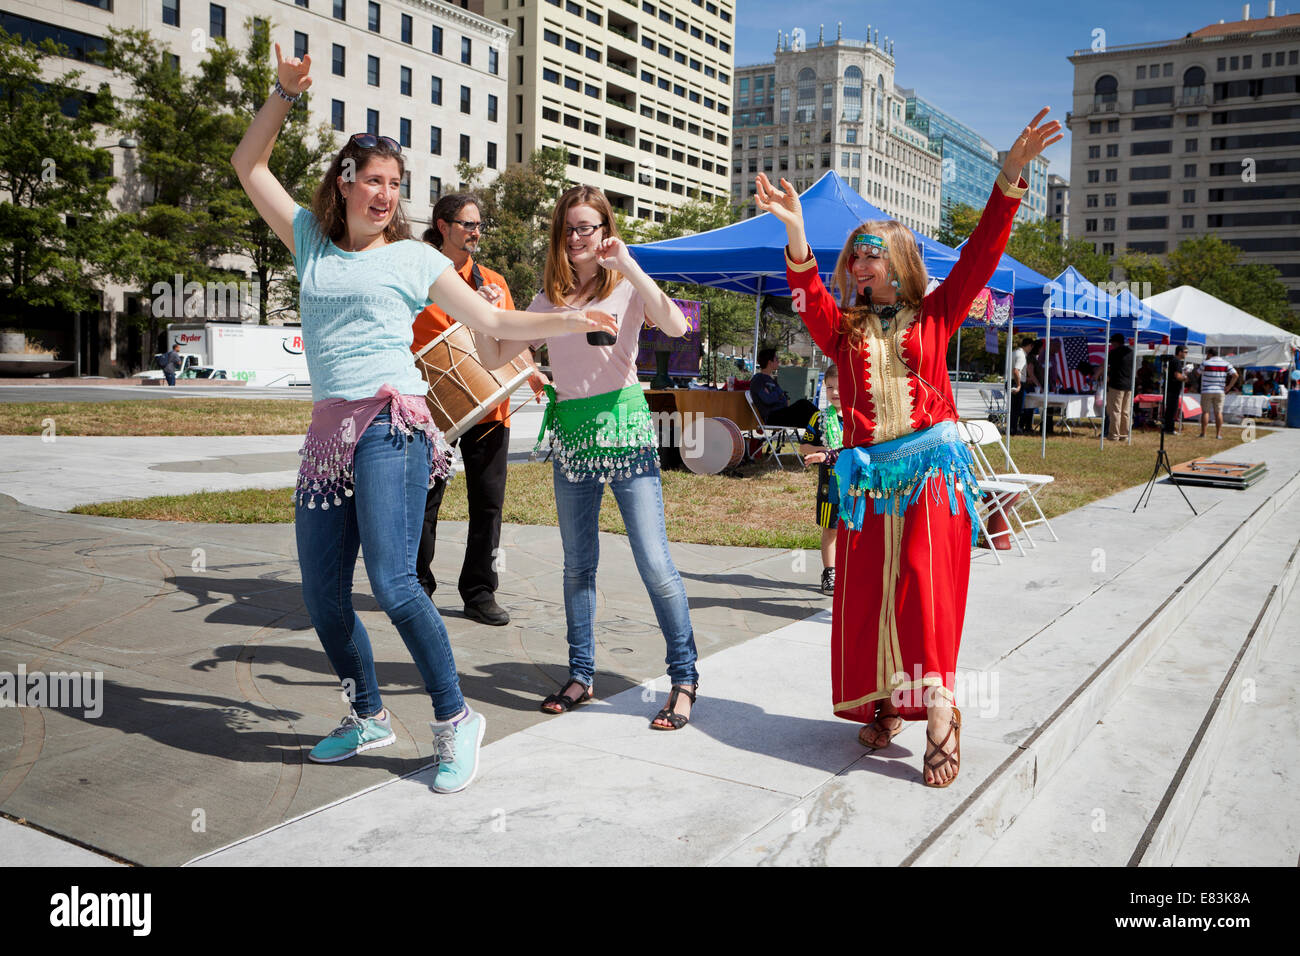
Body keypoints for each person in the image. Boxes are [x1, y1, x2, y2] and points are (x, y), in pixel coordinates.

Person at [230, 44, 614, 792]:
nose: (383, 194)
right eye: (371, 180)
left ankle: (454, 719)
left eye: (395, 185)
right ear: (343, 182)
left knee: (396, 584)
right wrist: (282, 92)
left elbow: (492, 327)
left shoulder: (411, 259)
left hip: (393, 427)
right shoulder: (309, 244)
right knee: (321, 596)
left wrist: (573, 323)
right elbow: (250, 166)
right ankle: (367, 713)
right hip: (327, 434)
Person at [757, 108, 1061, 787]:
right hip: (869, 481)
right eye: (855, 253)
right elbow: (807, 296)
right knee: (869, 595)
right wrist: (797, 231)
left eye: (871, 252)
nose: (859, 261)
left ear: (897, 262)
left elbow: (983, 250)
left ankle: (943, 710)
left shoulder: (939, 312)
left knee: (923, 592)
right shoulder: (844, 329)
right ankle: (887, 703)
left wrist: (1010, 176)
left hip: (929, 472)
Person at [473, 185, 701, 731]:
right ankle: (581, 673)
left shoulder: (625, 287)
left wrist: (630, 263)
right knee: (579, 566)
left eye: (588, 228)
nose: (578, 238)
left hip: (625, 432)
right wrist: (484, 313)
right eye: (570, 228)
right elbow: (496, 355)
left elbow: (676, 326)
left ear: (605, 231)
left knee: (654, 561)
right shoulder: (547, 300)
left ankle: (685, 678)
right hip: (573, 438)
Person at [411, 193, 548, 626]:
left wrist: (531, 370)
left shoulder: (494, 281)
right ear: (443, 225)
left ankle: (479, 591)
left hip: (490, 407)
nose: (475, 232)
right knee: (425, 501)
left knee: (487, 504)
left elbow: (509, 337)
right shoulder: (418, 276)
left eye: (478, 225)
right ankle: (417, 587)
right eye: (467, 224)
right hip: (434, 408)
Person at [798, 364, 843, 595]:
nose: (835, 393)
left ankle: (851, 571)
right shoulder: (819, 417)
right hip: (829, 485)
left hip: (856, 486)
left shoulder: (860, 418)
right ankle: (830, 572)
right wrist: (825, 450)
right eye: (830, 388)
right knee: (831, 528)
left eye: (840, 387)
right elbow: (803, 445)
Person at [749, 347, 820, 429]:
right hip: (772, 417)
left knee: (807, 414)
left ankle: (822, 426)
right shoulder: (758, 380)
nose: (778, 361)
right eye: (776, 359)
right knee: (803, 404)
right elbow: (767, 399)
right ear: (770, 362)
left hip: (781, 413)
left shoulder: (771, 380)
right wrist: (780, 394)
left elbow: (784, 399)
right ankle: (824, 423)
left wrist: (779, 395)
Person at [1198, 347, 1238, 439]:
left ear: (1209, 354)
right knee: (1218, 412)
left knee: (1205, 412)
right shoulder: (1226, 363)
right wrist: (1229, 387)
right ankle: (1218, 434)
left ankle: (1203, 433)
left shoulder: (1205, 363)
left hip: (1207, 390)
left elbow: (1197, 373)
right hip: (1220, 390)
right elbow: (1235, 375)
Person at [1106, 332, 1135, 441]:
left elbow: (1107, 366)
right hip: (1128, 385)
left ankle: (1114, 435)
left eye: (1112, 342)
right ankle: (1124, 435)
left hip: (1116, 385)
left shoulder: (1113, 353)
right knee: (1125, 412)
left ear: (1115, 342)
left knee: (1115, 411)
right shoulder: (1131, 352)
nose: (1111, 344)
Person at [1162, 345, 1188, 434]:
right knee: (1172, 409)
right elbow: (1177, 376)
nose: (1186, 354)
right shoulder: (1176, 361)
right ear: (1180, 352)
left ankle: (1167, 428)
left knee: (1170, 409)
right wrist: (1185, 378)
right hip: (1173, 389)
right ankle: (1169, 429)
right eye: (1185, 352)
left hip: (1170, 388)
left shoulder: (1172, 360)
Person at [1009, 337, 1031, 435]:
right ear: (1029, 346)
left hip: (1010, 380)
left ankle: (1012, 428)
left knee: (1012, 408)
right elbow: (1016, 370)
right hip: (1016, 382)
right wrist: (1018, 385)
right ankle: (1012, 429)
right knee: (1016, 409)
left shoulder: (1014, 352)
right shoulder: (1021, 355)